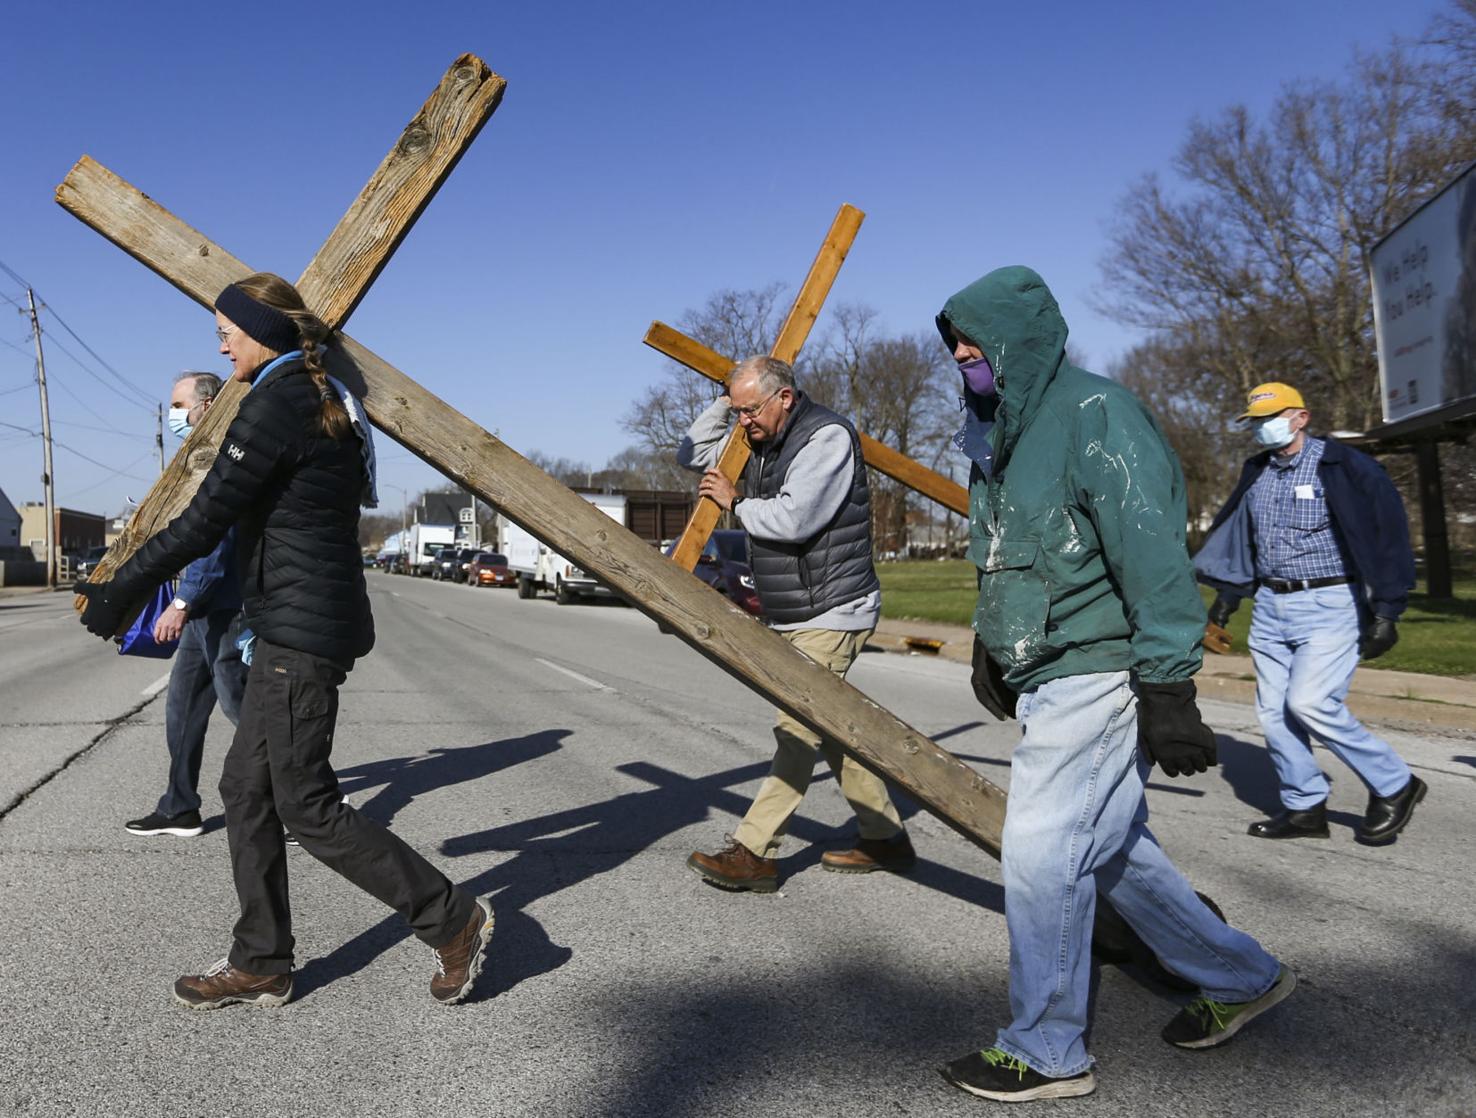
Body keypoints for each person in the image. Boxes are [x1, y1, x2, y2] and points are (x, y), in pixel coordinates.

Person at [78, 273, 491, 1009]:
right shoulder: (305, 393)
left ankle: (450, 917)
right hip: (292, 622)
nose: (221, 346)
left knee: (306, 803)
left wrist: (121, 587)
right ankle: (262, 960)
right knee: (245, 788)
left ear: (261, 331)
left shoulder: (280, 402)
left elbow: (205, 517)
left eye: (226, 332)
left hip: (301, 632)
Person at [935, 267, 1293, 1103]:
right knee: (1110, 850)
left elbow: (1153, 556)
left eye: (971, 339)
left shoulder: (1097, 413)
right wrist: (995, 645)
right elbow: (1010, 553)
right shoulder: (998, 432)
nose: (958, 354)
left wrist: (1169, 688)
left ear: (1016, 340)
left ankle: (1047, 1050)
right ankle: (1242, 977)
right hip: (1053, 668)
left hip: (1099, 669)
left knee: (1039, 853)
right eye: (952, 341)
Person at [679, 355, 914, 893]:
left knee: (796, 729)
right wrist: (725, 401)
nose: (744, 421)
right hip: (797, 610)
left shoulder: (826, 438)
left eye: (751, 410)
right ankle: (885, 835)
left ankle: (755, 852)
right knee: (830, 728)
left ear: (784, 397)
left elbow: (794, 519)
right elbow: (690, 454)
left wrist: (736, 501)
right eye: (738, 411)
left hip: (834, 607)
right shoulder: (757, 438)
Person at [1196, 382, 1424, 844]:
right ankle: (1304, 806)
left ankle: (1396, 783)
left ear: (1301, 417)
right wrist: (1228, 596)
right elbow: (1244, 538)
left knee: (1311, 703)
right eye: (1256, 421)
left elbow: (1388, 536)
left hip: (1330, 602)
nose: (1262, 427)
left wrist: (1388, 610)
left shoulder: (1346, 466)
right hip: (1270, 605)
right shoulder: (1257, 470)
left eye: (1271, 417)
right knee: (1274, 712)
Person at [124, 371, 248, 838]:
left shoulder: (221, 456)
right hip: (202, 612)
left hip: (226, 608)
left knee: (245, 710)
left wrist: (181, 601)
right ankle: (179, 808)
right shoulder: (196, 456)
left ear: (208, 404)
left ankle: (305, 803)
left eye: (179, 405)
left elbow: (214, 539)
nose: (173, 414)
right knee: (182, 709)